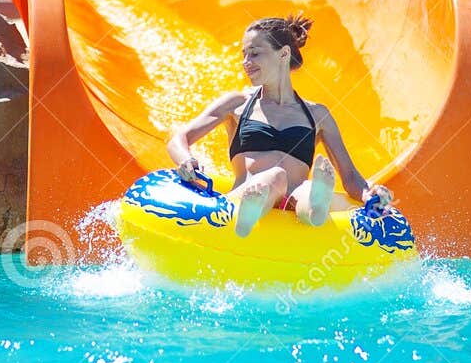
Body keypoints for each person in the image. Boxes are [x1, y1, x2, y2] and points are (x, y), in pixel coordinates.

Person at [165, 14, 394, 237]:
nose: (246, 62)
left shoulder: (317, 115)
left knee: (306, 189)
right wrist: (186, 160)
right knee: (275, 177)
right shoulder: (237, 104)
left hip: (292, 207)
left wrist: (369, 193)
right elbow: (179, 139)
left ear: (283, 54)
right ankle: (251, 214)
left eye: (254, 54)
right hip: (245, 196)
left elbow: (351, 176)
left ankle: (315, 207)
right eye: (244, 55)